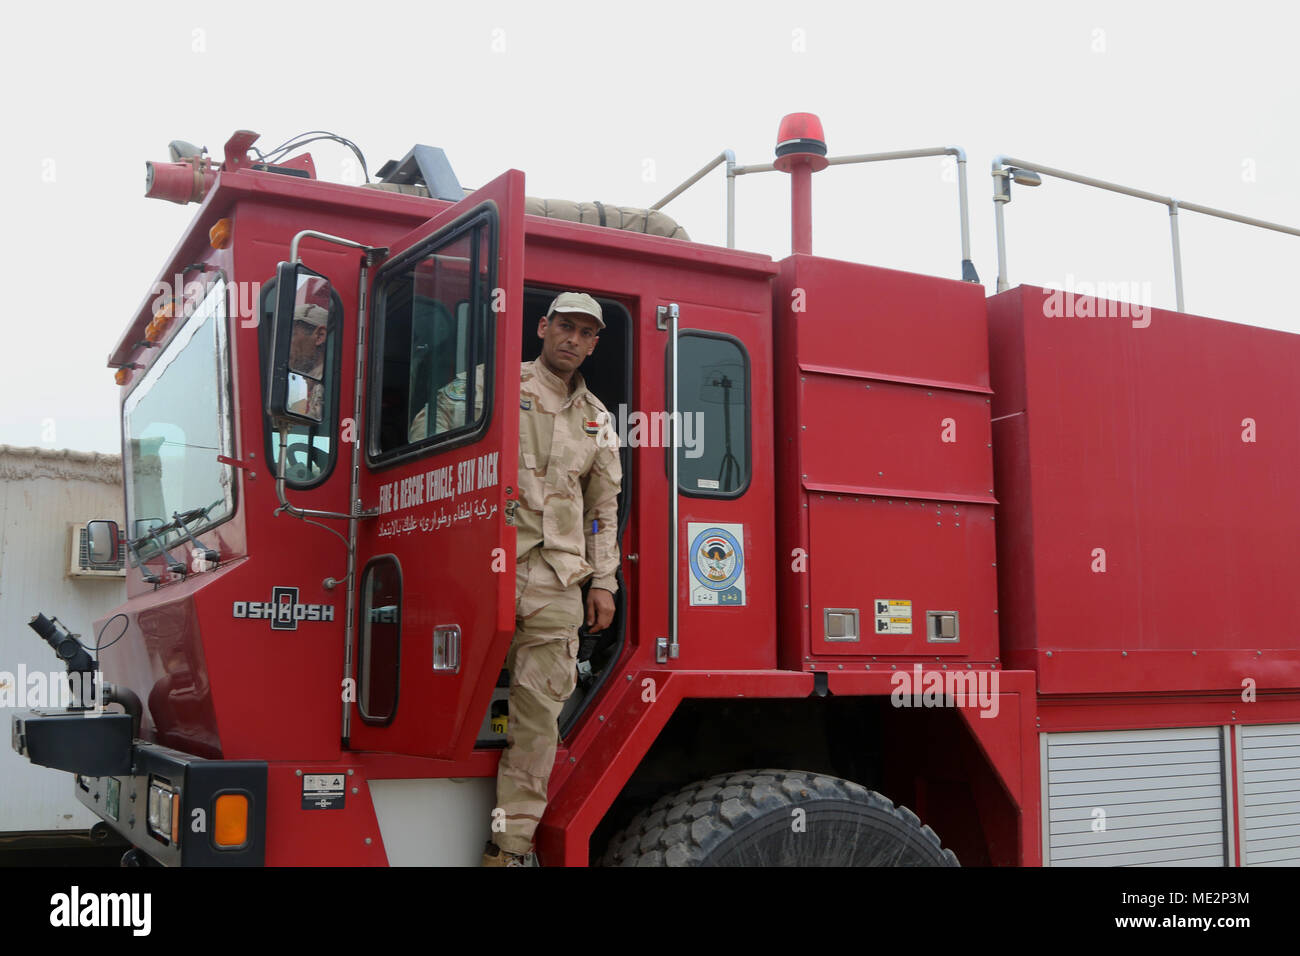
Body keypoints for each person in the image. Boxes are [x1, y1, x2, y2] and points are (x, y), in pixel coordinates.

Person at [482, 291, 622, 866]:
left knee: (538, 721)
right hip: (486, 569)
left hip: (558, 582)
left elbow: (601, 507)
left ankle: (507, 849)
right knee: (444, 700)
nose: (573, 339)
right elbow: (437, 442)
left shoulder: (598, 419)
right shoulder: (495, 386)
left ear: (594, 344)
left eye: (586, 333)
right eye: (564, 326)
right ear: (542, 327)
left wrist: (604, 581)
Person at [287, 279, 329, 420]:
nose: (286, 345)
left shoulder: (326, 386)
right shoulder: (307, 384)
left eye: (292, 334)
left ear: (319, 336)